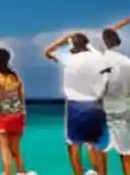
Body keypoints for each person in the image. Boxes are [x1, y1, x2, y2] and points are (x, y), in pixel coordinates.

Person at [44, 31, 111, 175]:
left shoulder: (68, 58)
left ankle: (78, 173)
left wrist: (63, 39)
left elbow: (48, 52)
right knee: (98, 145)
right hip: (96, 104)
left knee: (73, 144)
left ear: (71, 46)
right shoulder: (99, 57)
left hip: (76, 105)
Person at [101, 11, 130, 175]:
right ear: (118, 43)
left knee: (101, 150)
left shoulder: (96, 61)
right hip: (122, 112)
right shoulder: (128, 63)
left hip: (100, 111)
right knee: (126, 151)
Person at [0, 48, 27, 175]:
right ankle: (21, 172)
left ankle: (7, 172)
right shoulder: (15, 76)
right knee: (15, 148)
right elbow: (22, 97)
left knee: (4, 148)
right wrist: (23, 115)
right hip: (18, 114)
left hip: (3, 115)